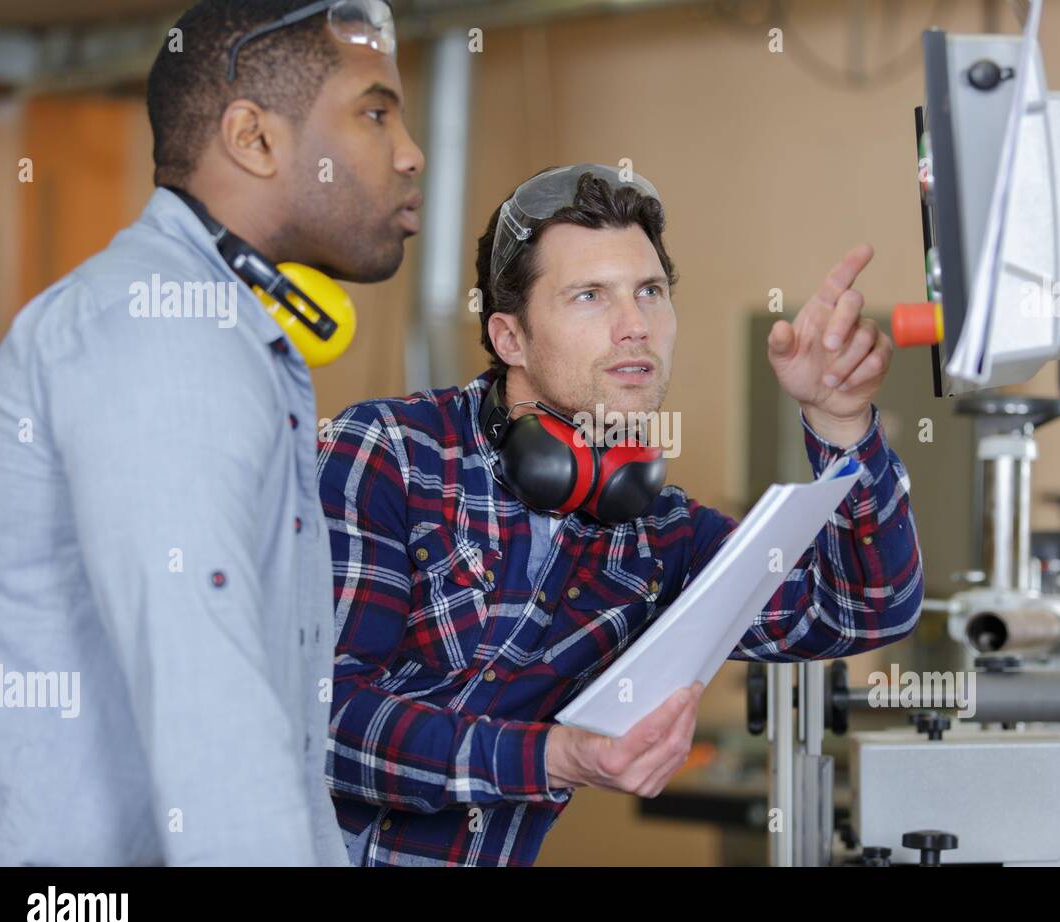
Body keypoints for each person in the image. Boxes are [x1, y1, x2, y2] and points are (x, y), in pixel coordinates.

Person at [318, 164, 925, 866]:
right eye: (589, 296)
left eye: (650, 292)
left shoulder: (662, 536)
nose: (635, 326)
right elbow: (322, 722)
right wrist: (552, 756)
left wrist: (840, 423)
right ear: (509, 337)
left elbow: (863, 610)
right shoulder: (391, 451)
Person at [0, 0, 422, 865]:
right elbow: (211, 718)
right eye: (375, 111)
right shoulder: (161, 334)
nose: (408, 152)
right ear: (253, 139)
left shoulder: (218, 330)